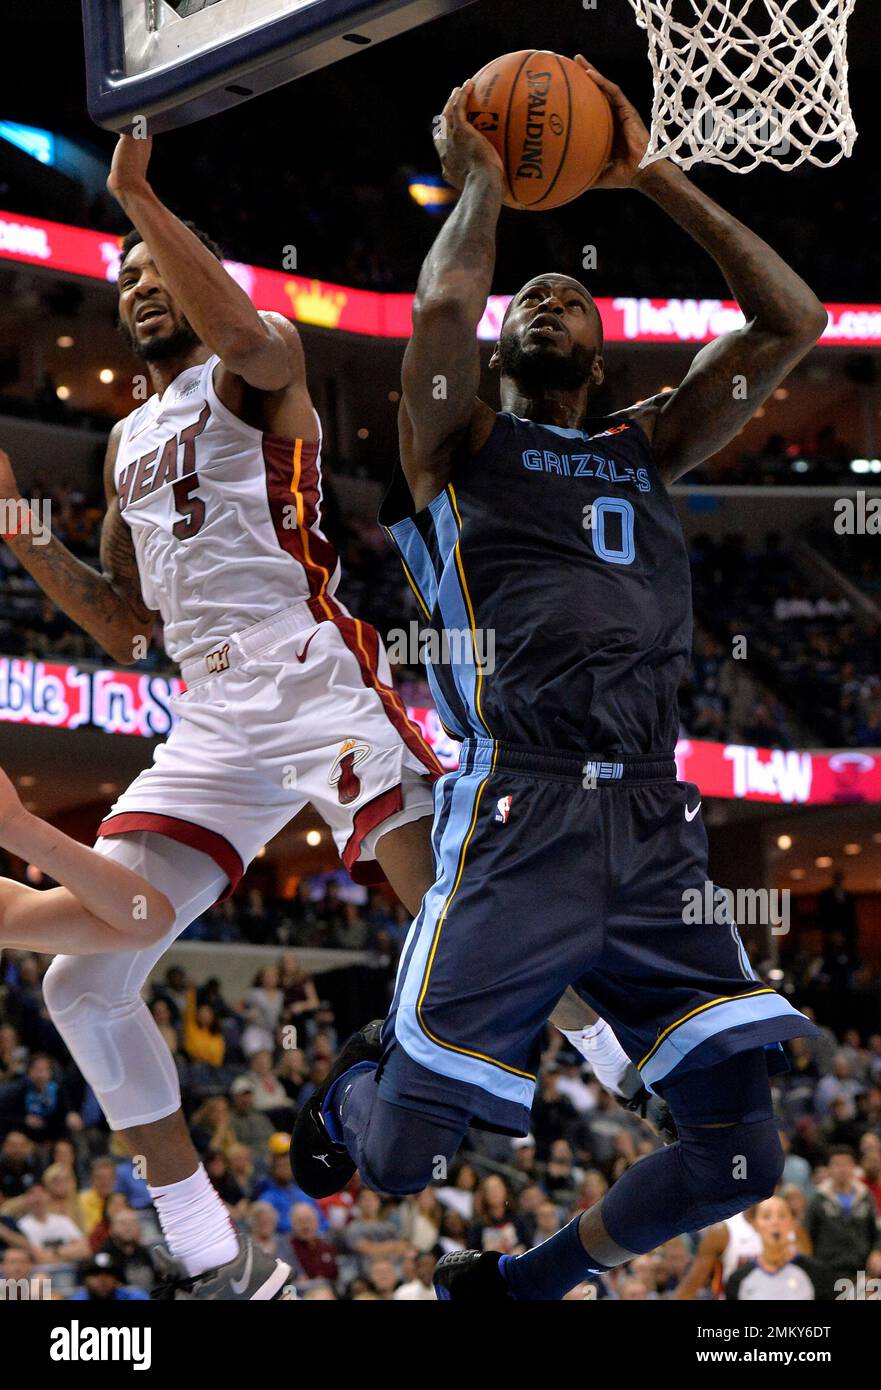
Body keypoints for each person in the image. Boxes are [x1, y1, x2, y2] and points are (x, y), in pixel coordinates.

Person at [0, 126, 635, 1297]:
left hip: (306, 672)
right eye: (124, 276)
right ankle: (214, 1251)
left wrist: (135, 199)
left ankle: (614, 1040)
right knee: (82, 982)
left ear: (193, 269)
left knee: (442, 888)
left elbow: (241, 327)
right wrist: (15, 525)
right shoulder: (123, 448)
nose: (139, 282)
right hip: (207, 712)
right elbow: (121, 625)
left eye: (155, 265)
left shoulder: (260, 360)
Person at [290, 60, 825, 1302]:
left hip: (652, 820)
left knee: (740, 1155)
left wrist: (647, 172)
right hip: (515, 813)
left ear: (600, 345)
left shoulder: (652, 438)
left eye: (569, 295)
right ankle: (357, 1081)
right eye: (525, 292)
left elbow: (788, 319)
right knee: (404, 1160)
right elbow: (438, 320)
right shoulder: (454, 441)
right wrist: (479, 184)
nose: (544, 297)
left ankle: (519, 1289)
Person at [726, 1196, 833, 1300]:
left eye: (782, 1216)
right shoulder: (738, 1279)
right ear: (754, 1224)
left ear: (792, 1222)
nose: (775, 1222)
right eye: (766, 1216)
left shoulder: (817, 1273)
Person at [805, 1146, 881, 1290]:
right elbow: (806, 1235)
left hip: (862, 1271)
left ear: (854, 1167)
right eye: (837, 1164)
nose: (842, 1169)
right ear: (829, 1169)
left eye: (846, 1164)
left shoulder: (865, 1196)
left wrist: (877, 1252)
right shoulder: (818, 1199)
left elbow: (877, 1232)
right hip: (827, 1272)